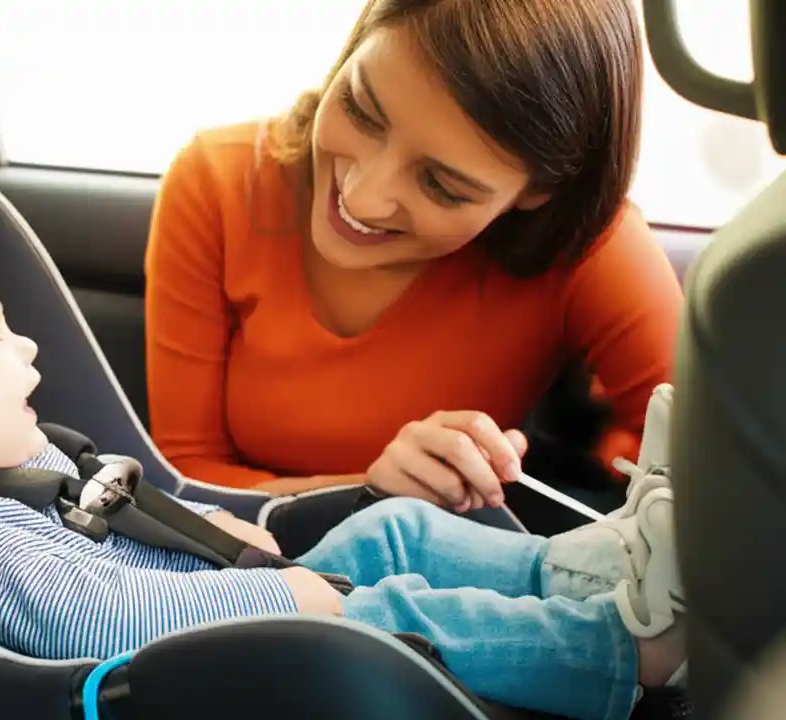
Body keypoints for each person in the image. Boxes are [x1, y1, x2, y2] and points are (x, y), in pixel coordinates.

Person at [0, 224, 686, 720]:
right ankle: (622, 652)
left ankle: (595, 572)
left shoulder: (17, 456)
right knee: (391, 610)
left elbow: (132, 514)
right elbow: (115, 616)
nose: (28, 347)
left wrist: (240, 540)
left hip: (235, 588)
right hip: (219, 659)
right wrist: (284, 598)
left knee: (389, 530)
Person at [143, 0, 683, 505]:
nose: (361, 196)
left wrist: (614, 459)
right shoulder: (217, 180)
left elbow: (715, 478)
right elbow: (185, 477)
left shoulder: (593, 251)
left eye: (442, 185)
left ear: (539, 191)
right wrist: (370, 494)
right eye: (360, 109)